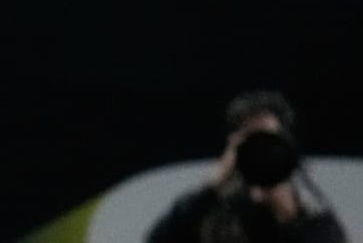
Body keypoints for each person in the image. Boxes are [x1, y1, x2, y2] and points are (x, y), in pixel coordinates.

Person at [146, 90, 348, 243]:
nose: (262, 151)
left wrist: (287, 215)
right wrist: (210, 189)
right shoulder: (215, 221)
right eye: (251, 141)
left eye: (269, 140)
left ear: (287, 148)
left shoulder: (318, 225)